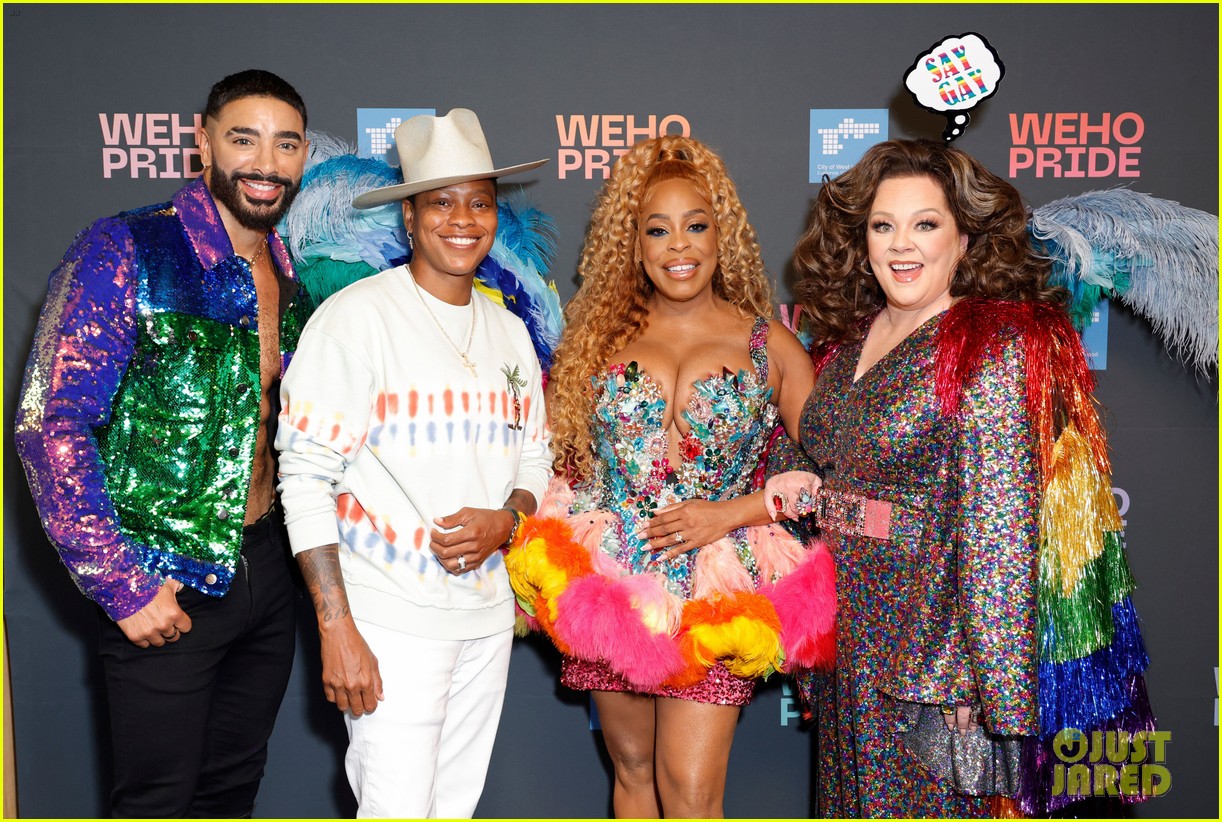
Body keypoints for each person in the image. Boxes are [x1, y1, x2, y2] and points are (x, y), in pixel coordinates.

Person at [771, 138, 1151, 817]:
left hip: (933, 665)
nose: (900, 245)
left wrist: (986, 685)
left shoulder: (990, 346)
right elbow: (822, 454)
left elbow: (997, 529)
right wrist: (789, 479)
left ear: (965, 237)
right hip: (849, 647)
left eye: (925, 224)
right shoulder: (849, 343)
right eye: (883, 225)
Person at [506, 135, 835, 818]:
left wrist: (736, 511)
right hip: (613, 581)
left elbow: (833, 469)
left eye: (696, 226)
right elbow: (561, 459)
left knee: (690, 792)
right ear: (633, 244)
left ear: (722, 236)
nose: (678, 246)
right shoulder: (596, 340)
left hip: (716, 590)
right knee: (632, 772)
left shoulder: (769, 344)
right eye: (657, 230)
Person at [14, 69, 311, 817]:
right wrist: (121, 582)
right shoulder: (126, 247)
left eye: (286, 144)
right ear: (202, 144)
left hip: (267, 569)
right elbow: (51, 421)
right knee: (156, 803)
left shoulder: (291, 276)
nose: (266, 163)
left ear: (305, 155)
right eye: (244, 139)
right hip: (163, 579)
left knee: (232, 792)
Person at [275, 108, 552, 819]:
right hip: (388, 619)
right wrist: (337, 628)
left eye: (479, 202)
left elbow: (534, 457)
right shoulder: (355, 319)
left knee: (453, 809)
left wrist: (509, 520)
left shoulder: (510, 331)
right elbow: (304, 476)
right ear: (409, 217)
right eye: (440, 202)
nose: (462, 220)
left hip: (485, 619)